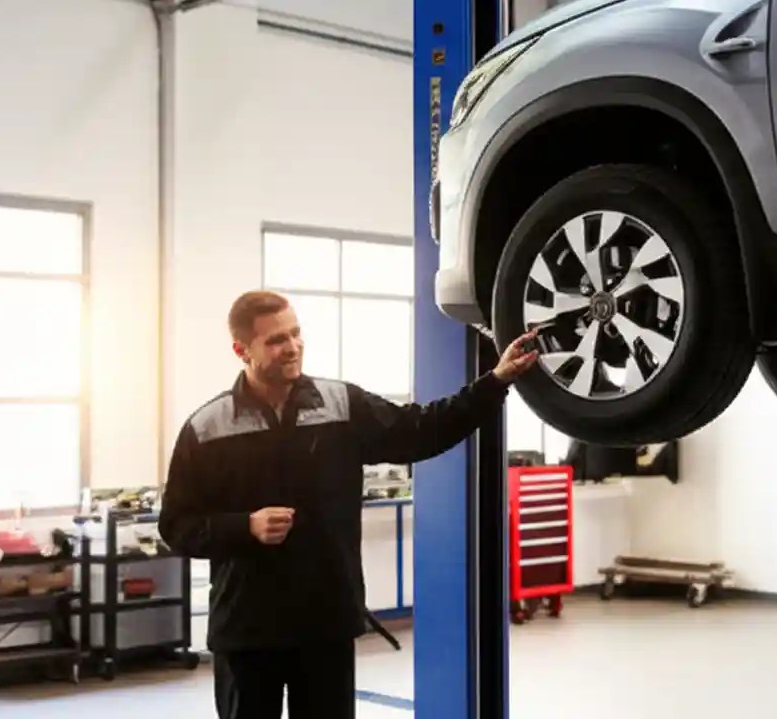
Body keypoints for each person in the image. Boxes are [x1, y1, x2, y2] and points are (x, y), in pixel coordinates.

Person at [158, 289, 538, 719]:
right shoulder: (207, 428)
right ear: (241, 350)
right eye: (276, 340)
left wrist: (496, 382)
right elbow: (175, 525)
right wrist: (244, 527)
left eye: (296, 334)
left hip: (326, 624)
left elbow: (420, 429)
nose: (293, 347)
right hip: (247, 632)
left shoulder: (340, 406)